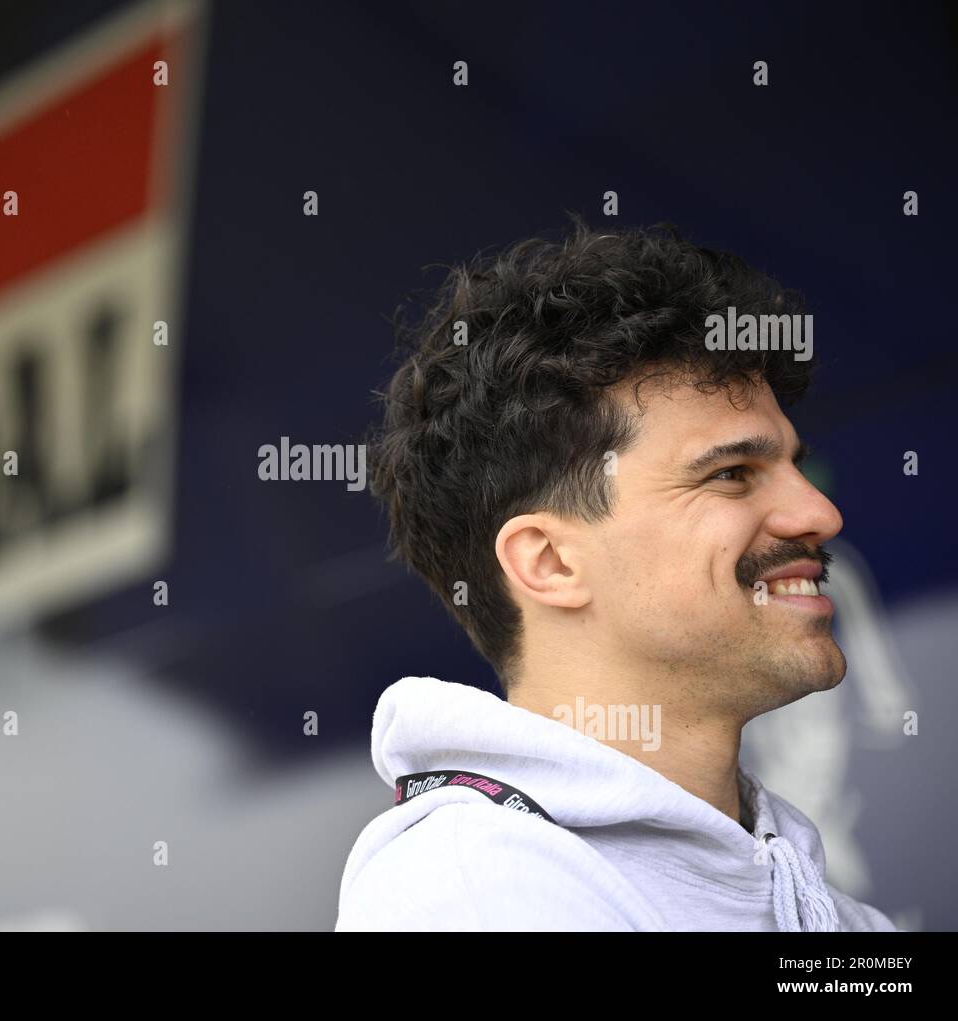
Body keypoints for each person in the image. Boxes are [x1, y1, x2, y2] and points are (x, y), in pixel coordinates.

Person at [336, 222, 897, 931]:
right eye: (731, 473)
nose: (819, 511)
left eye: (793, 464)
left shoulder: (846, 922)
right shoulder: (472, 894)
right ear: (549, 561)